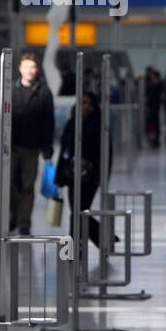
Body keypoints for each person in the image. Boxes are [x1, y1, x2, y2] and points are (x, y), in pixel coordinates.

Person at [8, 52, 56, 236]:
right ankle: (15, 213)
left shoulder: (44, 93)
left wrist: (47, 146)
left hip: (32, 146)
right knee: (10, 183)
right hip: (12, 145)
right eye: (26, 67)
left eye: (33, 67)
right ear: (20, 68)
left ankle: (24, 221)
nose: (29, 71)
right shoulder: (11, 90)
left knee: (27, 185)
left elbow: (48, 121)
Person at [57, 91, 110, 249]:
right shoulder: (72, 124)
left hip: (90, 176)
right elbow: (64, 150)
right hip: (73, 174)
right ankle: (100, 239)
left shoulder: (99, 125)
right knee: (77, 211)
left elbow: (106, 152)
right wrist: (59, 177)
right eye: (83, 103)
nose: (86, 107)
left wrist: (102, 175)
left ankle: (75, 245)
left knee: (81, 210)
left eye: (89, 103)